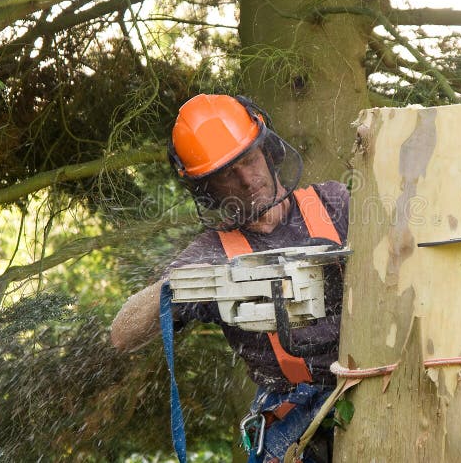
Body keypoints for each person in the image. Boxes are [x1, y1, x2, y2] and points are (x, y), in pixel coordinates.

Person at [110, 94, 349, 463]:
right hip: (296, 417)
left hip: (367, 381)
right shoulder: (211, 253)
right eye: (226, 175)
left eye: (249, 160)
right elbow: (122, 335)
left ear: (268, 151)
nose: (246, 179)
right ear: (208, 190)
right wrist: (178, 286)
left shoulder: (334, 202)